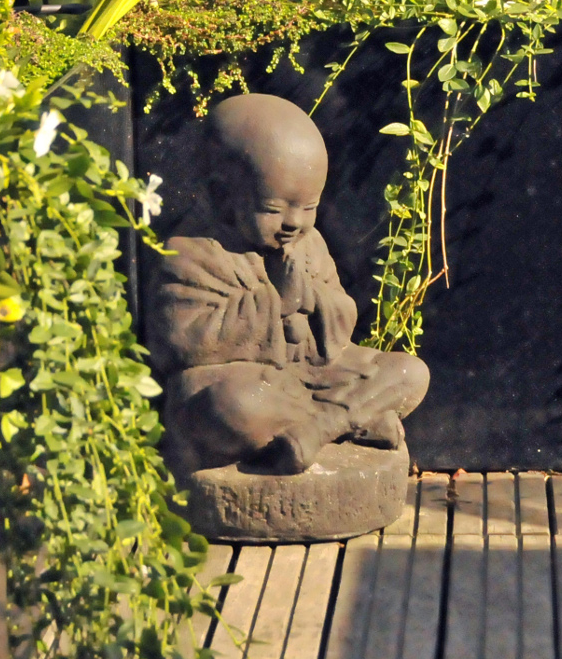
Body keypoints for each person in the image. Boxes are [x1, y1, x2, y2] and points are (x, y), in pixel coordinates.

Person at [145, 93, 429, 474]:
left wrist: (315, 302)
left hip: (314, 375)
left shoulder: (307, 244)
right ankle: (352, 417)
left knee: (411, 372)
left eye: (308, 208)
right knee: (233, 408)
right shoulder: (192, 252)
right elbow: (179, 343)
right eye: (273, 209)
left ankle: (324, 425)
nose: (294, 222)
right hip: (246, 384)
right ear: (221, 195)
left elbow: (341, 319)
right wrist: (274, 302)